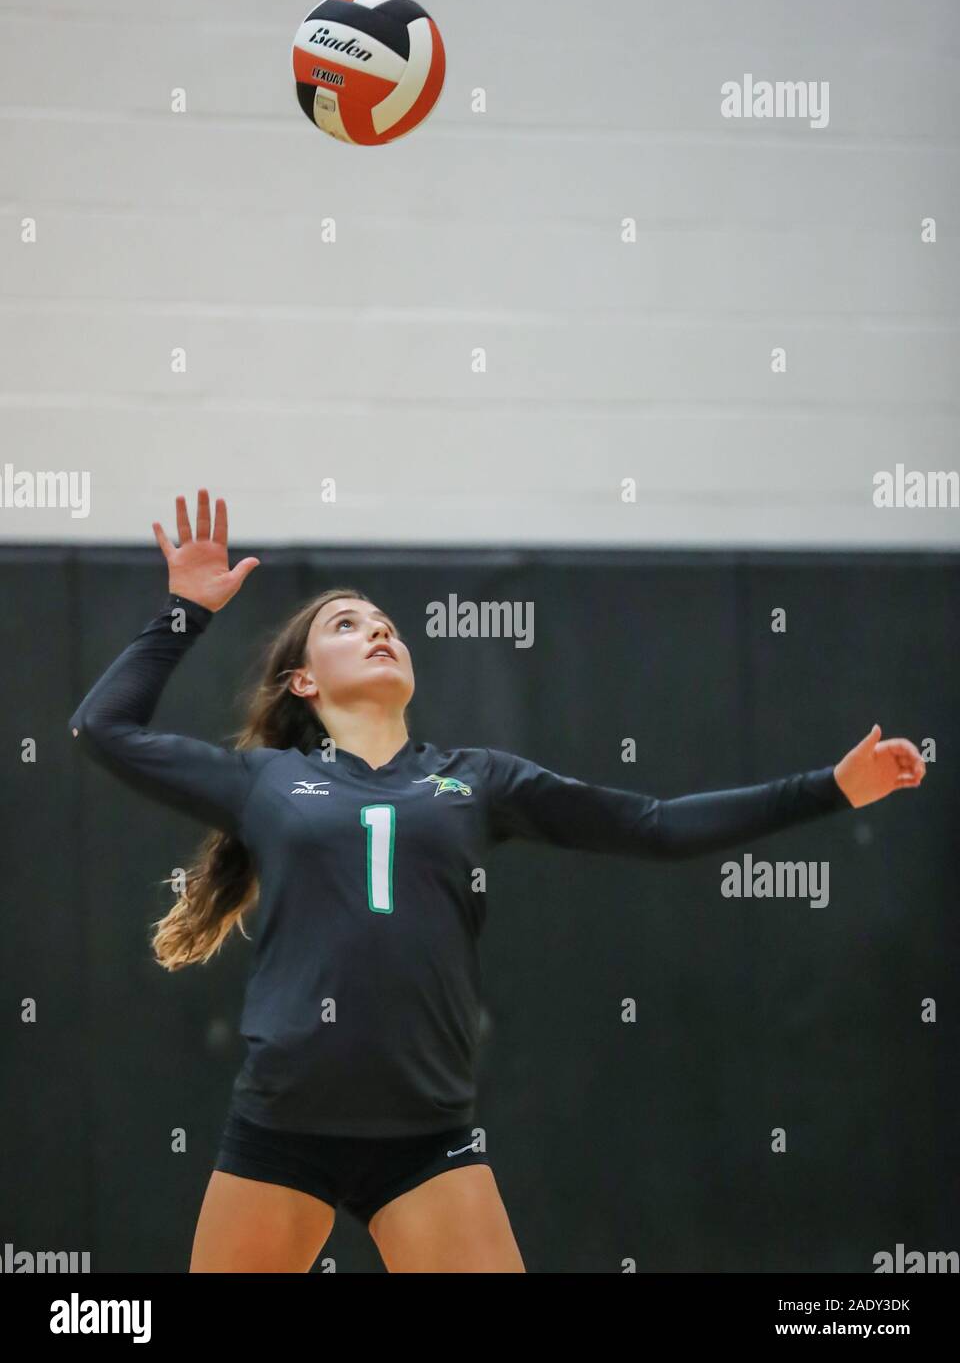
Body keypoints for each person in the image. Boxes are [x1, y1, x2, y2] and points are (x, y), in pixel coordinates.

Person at [68, 489, 926, 1273]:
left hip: (425, 1136)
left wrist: (829, 788)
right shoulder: (266, 780)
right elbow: (101, 728)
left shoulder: (477, 780)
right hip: (280, 1126)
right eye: (346, 625)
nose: (377, 631)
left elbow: (655, 825)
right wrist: (185, 613)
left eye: (386, 624)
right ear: (304, 680)